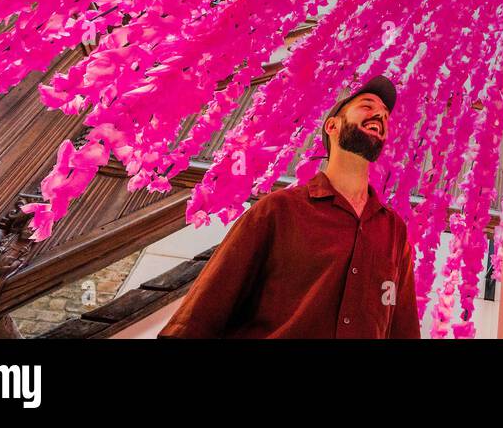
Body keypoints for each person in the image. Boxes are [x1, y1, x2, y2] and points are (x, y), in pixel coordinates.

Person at [158, 74, 420, 338]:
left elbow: (403, 329)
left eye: (385, 114)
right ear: (332, 126)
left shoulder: (394, 232)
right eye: (367, 105)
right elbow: (201, 315)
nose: (380, 115)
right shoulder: (278, 210)